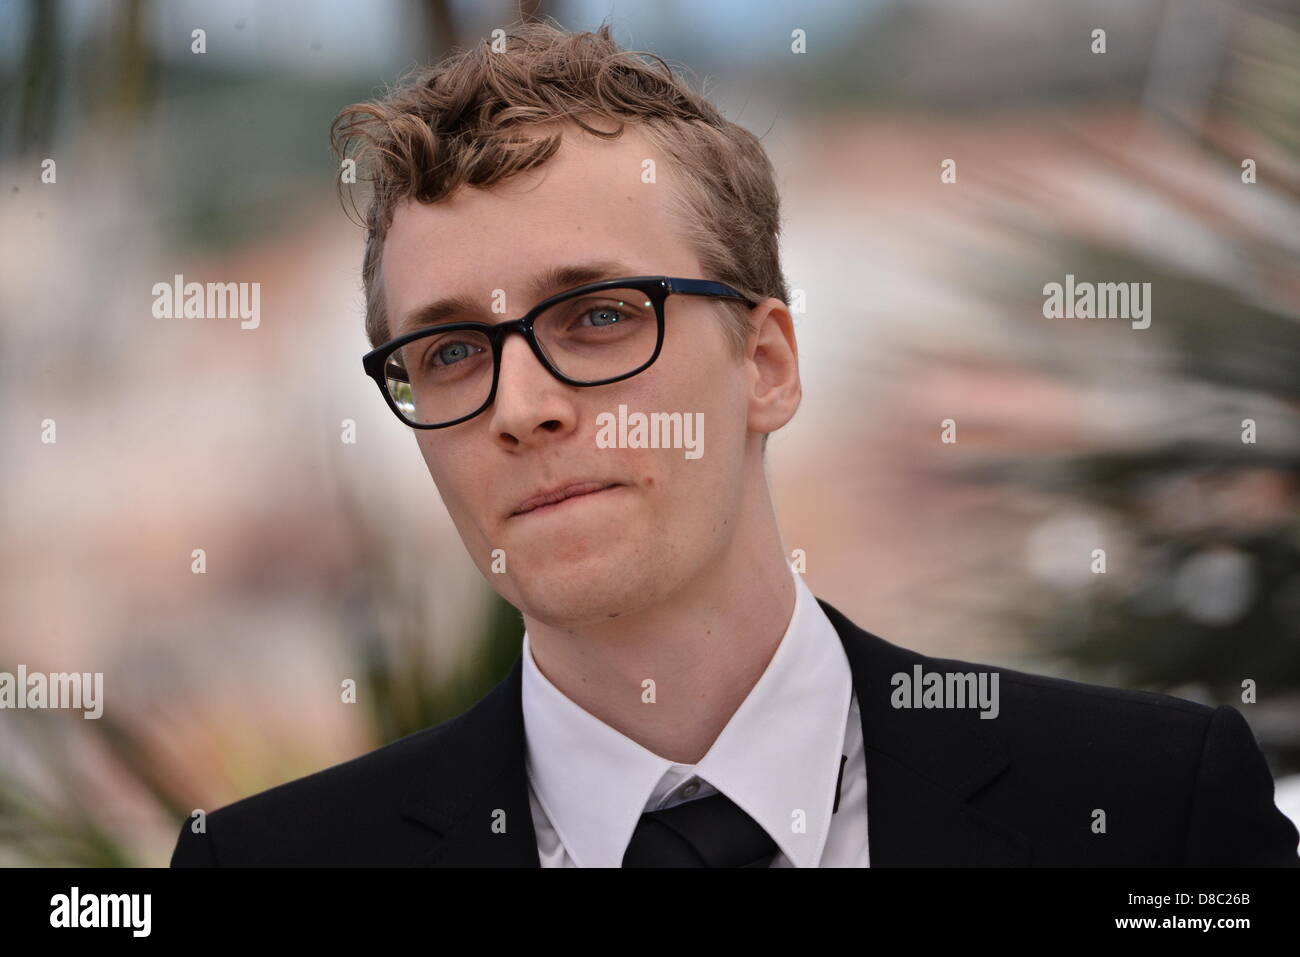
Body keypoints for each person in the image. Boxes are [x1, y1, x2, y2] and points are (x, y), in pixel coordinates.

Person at [170, 20, 1299, 868]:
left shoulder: (1152, 810)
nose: (521, 405)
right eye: (453, 351)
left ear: (767, 364)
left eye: (600, 316)